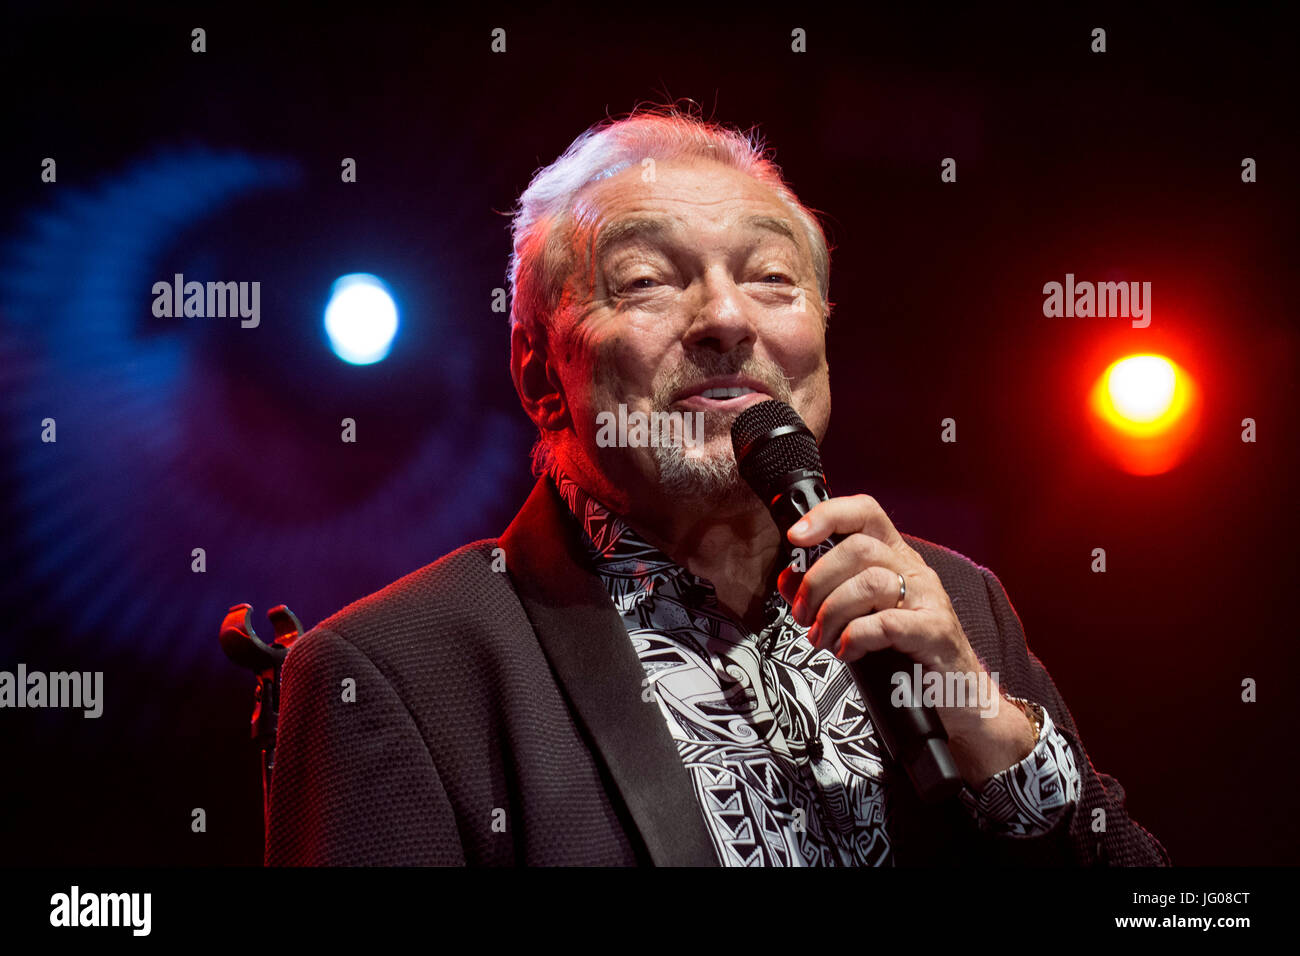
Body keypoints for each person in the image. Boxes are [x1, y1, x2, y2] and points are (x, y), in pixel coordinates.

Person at [263, 104, 1169, 866]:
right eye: (648, 281)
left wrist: (995, 737)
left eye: (773, 279)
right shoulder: (397, 674)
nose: (728, 319)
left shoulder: (957, 607)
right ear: (541, 373)